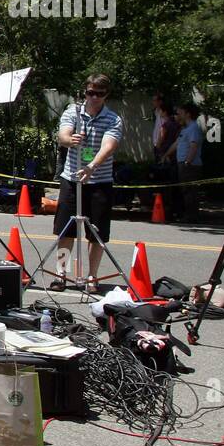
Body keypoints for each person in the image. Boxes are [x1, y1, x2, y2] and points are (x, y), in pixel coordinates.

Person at [51, 74, 123, 292]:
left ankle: (92, 275)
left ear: (106, 95)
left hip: (99, 181)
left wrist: (92, 166)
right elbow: (62, 134)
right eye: (91, 93)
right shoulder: (73, 112)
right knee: (66, 231)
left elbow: (108, 146)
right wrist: (68, 139)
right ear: (85, 92)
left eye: (99, 94)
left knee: (97, 233)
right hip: (71, 179)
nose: (94, 97)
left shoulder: (113, 119)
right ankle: (61, 273)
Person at [165, 102, 204, 221]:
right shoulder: (185, 129)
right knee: (185, 190)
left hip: (189, 165)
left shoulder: (193, 128)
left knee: (190, 191)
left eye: (180, 112)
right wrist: (166, 155)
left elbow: (194, 146)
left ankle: (192, 216)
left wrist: (188, 161)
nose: (178, 115)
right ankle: (187, 214)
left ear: (188, 114)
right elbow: (177, 143)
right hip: (182, 164)